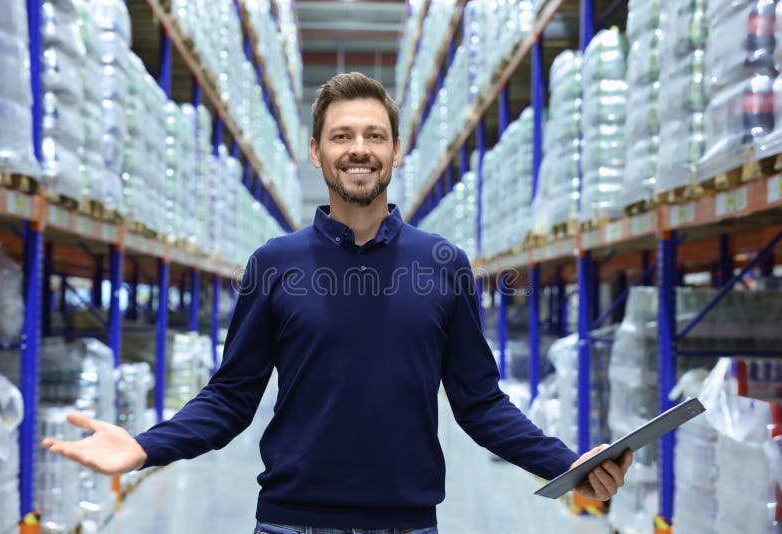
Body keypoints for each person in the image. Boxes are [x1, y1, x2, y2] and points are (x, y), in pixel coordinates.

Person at [44, 72, 632, 534]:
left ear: (397, 151)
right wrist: (146, 446)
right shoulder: (274, 264)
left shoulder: (443, 265)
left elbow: (479, 404)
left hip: (406, 525)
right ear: (316, 152)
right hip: (288, 522)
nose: (359, 149)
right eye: (342, 136)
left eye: (374, 135)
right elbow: (230, 397)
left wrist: (568, 464)